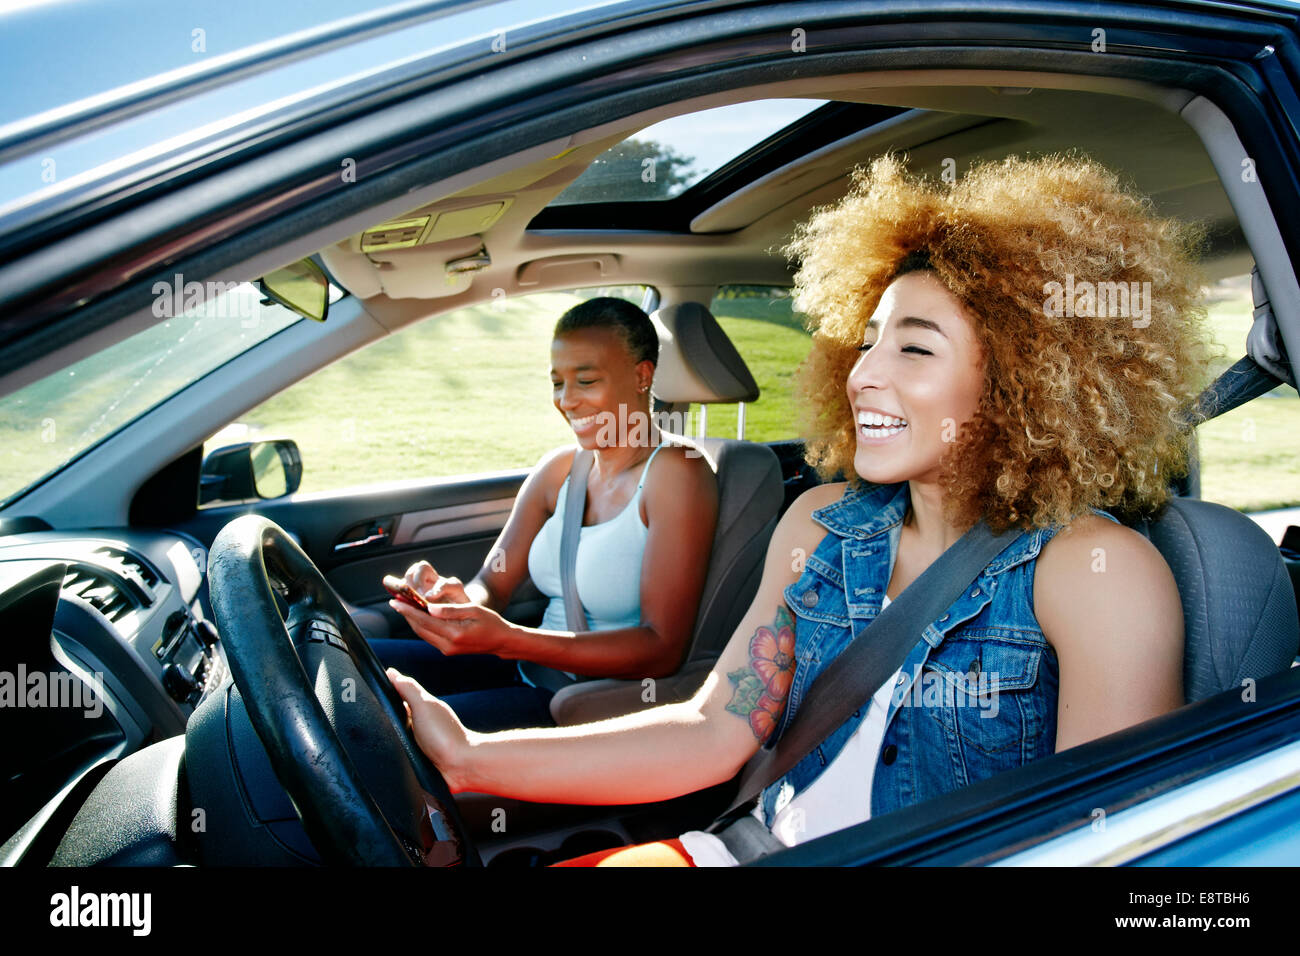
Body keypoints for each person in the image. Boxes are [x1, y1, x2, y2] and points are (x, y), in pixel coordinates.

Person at [387, 153, 1217, 864]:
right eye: (868, 341)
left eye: (915, 348)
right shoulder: (820, 521)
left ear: (1027, 381)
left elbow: (1109, 847)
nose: (864, 375)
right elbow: (714, 730)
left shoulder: (1094, 575)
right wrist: (472, 760)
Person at [372, 297, 719, 733]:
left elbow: (661, 649)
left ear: (641, 375)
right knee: (352, 661)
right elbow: (493, 584)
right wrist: (456, 599)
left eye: (586, 380)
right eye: (557, 383)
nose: (567, 401)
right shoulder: (558, 470)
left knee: (386, 731)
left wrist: (508, 639)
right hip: (525, 669)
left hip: (589, 705)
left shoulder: (677, 472)